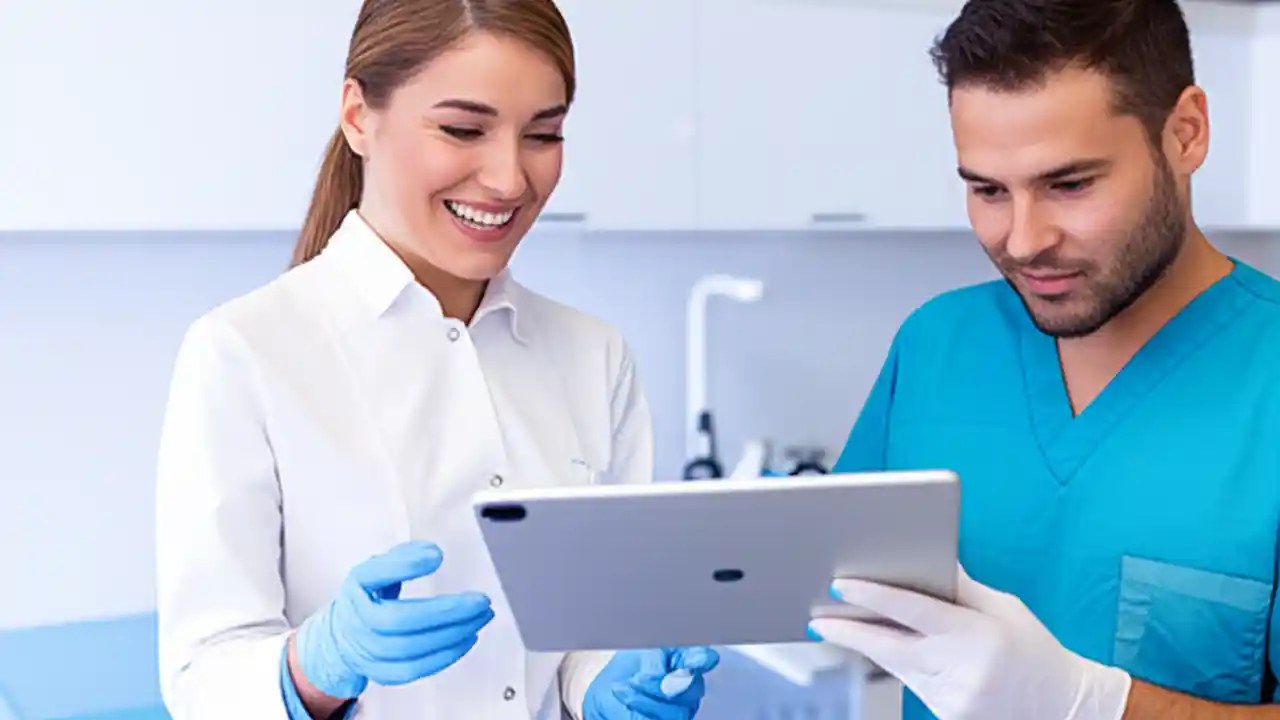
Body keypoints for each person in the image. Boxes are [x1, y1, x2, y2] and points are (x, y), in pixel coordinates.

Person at [153, 1, 718, 718]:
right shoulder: (243, 353)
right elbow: (204, 677)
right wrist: (318, 665)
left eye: (543, 134)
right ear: (359, 115)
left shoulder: (594, 358)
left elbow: (589, 632)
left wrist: (608, 681)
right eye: (462, 129)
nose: (511, 179)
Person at [806, 0, 1280, 718]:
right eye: (987, 190)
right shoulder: (935, 347)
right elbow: (820, 588)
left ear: (1185, 134)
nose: (1024, 240)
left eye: (1070, 185)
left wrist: (1093, 705)